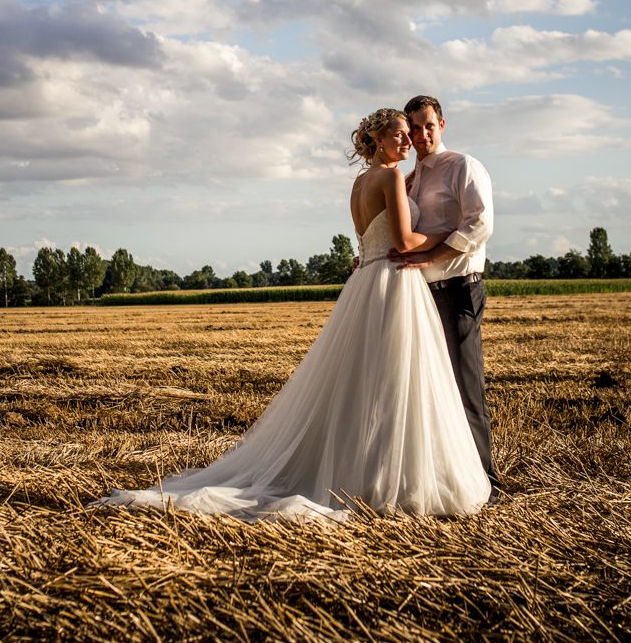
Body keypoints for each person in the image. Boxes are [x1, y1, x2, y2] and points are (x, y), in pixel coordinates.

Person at [96, 109, 491, 521]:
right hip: (393, 281)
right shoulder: (392, 177)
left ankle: (367, 469)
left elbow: (373, 238)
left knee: (364, 382)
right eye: (400, 135)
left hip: (365, 280)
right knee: (395, 379)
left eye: (410, 134)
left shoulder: (359, 182)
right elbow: (405, 240)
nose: (408, 141)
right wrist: (450, 235)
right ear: (377, 139)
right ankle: (386, 475)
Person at [388, 95, 502, 500]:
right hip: (419, 296)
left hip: (456, 289)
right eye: (413, 129)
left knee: (464, 386)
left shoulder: (462, 166)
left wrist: (434, 256)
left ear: (442, 124)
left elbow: (480, 223)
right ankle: (447, 477)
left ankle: (486, 482)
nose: (420, 135)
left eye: (428, 126)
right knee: (429, 389)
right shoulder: (409, 179)